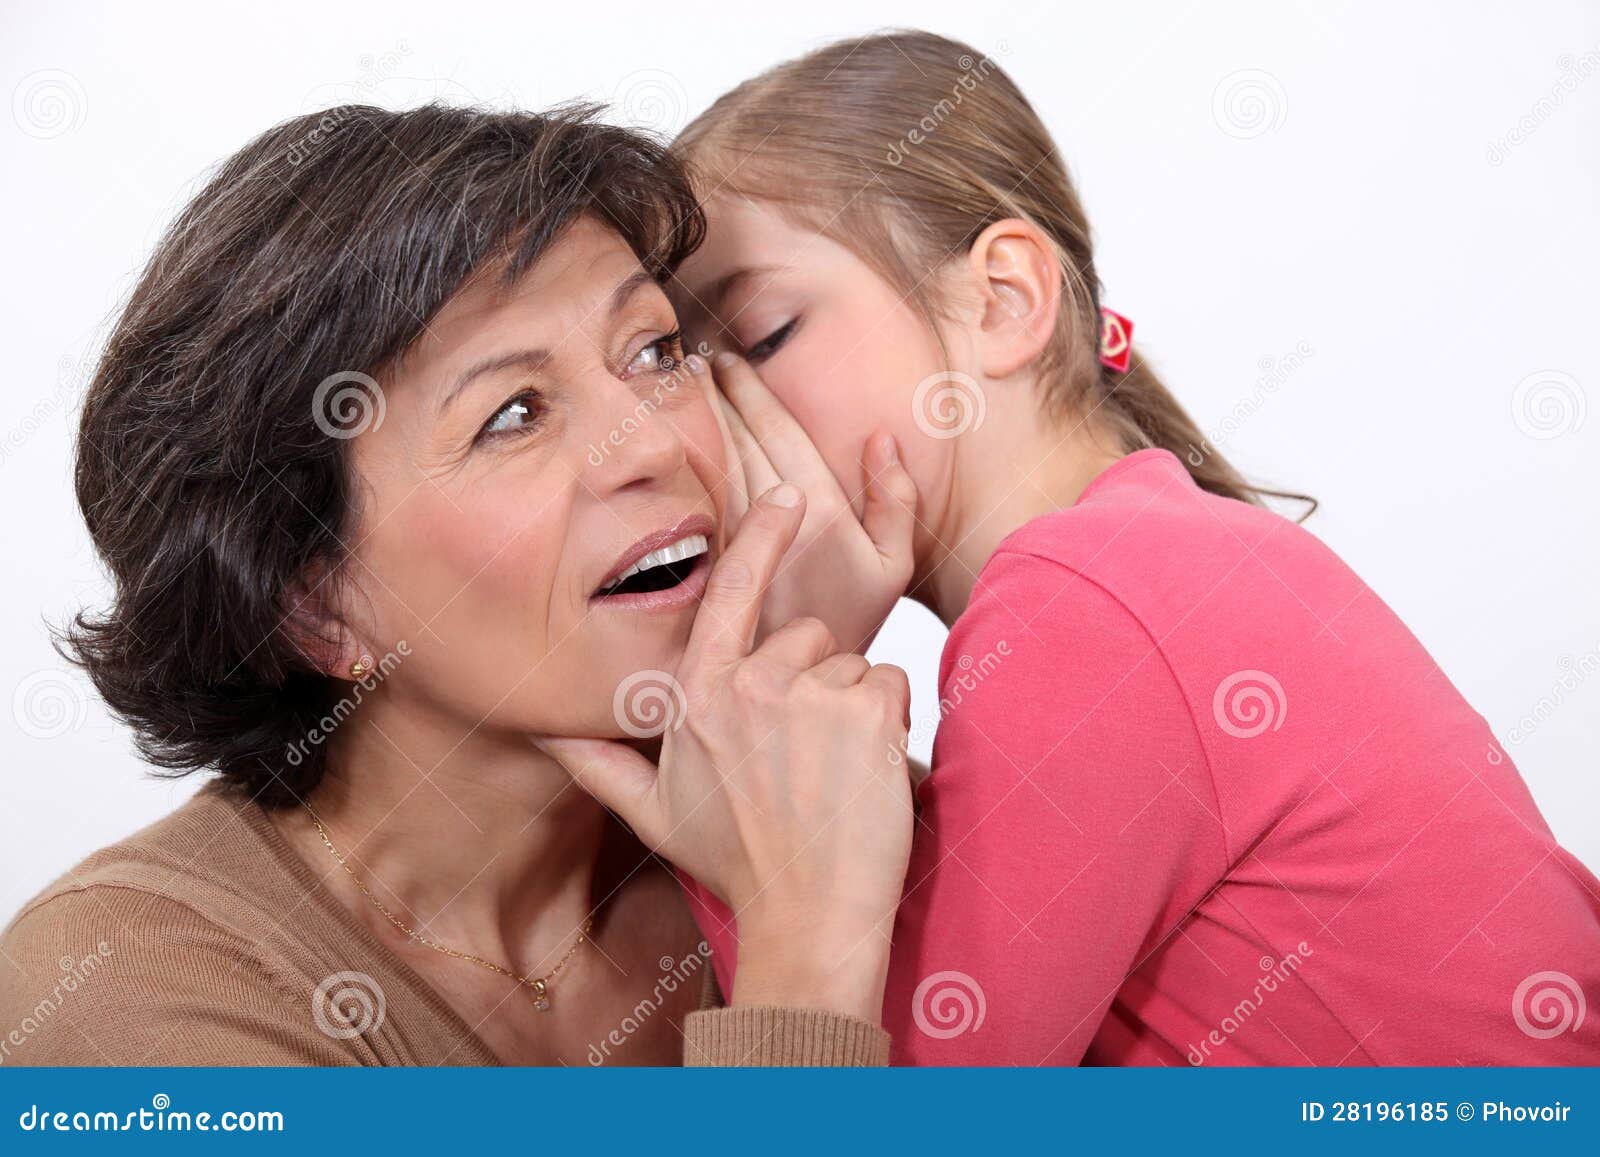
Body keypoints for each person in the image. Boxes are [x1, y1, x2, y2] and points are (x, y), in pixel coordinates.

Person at [666, 30, 1600, 1065]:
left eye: (756, 339)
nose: (716, 412)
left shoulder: (1087, 597)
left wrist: (751, 761)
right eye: (680, 366)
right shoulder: (1147, 560)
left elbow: (907, 1092)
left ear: (1002, 299)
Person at [0, 103, 915, 1067]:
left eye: (652, 351)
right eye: (513, 413)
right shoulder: (125, 995)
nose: (651, 441)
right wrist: (804, 952)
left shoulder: (819, 796)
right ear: (313, 606)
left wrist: (801, 681)